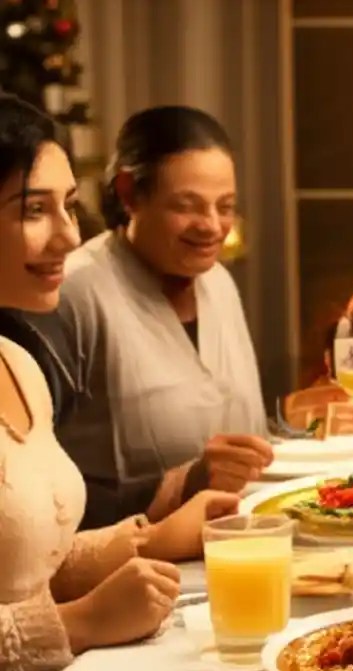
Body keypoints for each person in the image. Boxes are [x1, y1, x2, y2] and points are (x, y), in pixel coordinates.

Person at [0, 95, 237, 671]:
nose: (69, 235)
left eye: (69, 207)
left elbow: (33, 563)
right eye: (34, 210)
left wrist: (151, 539)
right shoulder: (79, 301)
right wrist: (79, 622)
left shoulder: (17, 364)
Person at [52, 106, 273, 529]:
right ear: (130, 193)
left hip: (237, 544)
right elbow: (34, 489)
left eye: (225, 207)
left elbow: (241, 435)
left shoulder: (219, 283)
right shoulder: (76, 292)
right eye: (187, 206)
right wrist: (180, 484)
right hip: (130, 565)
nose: (212, 226)